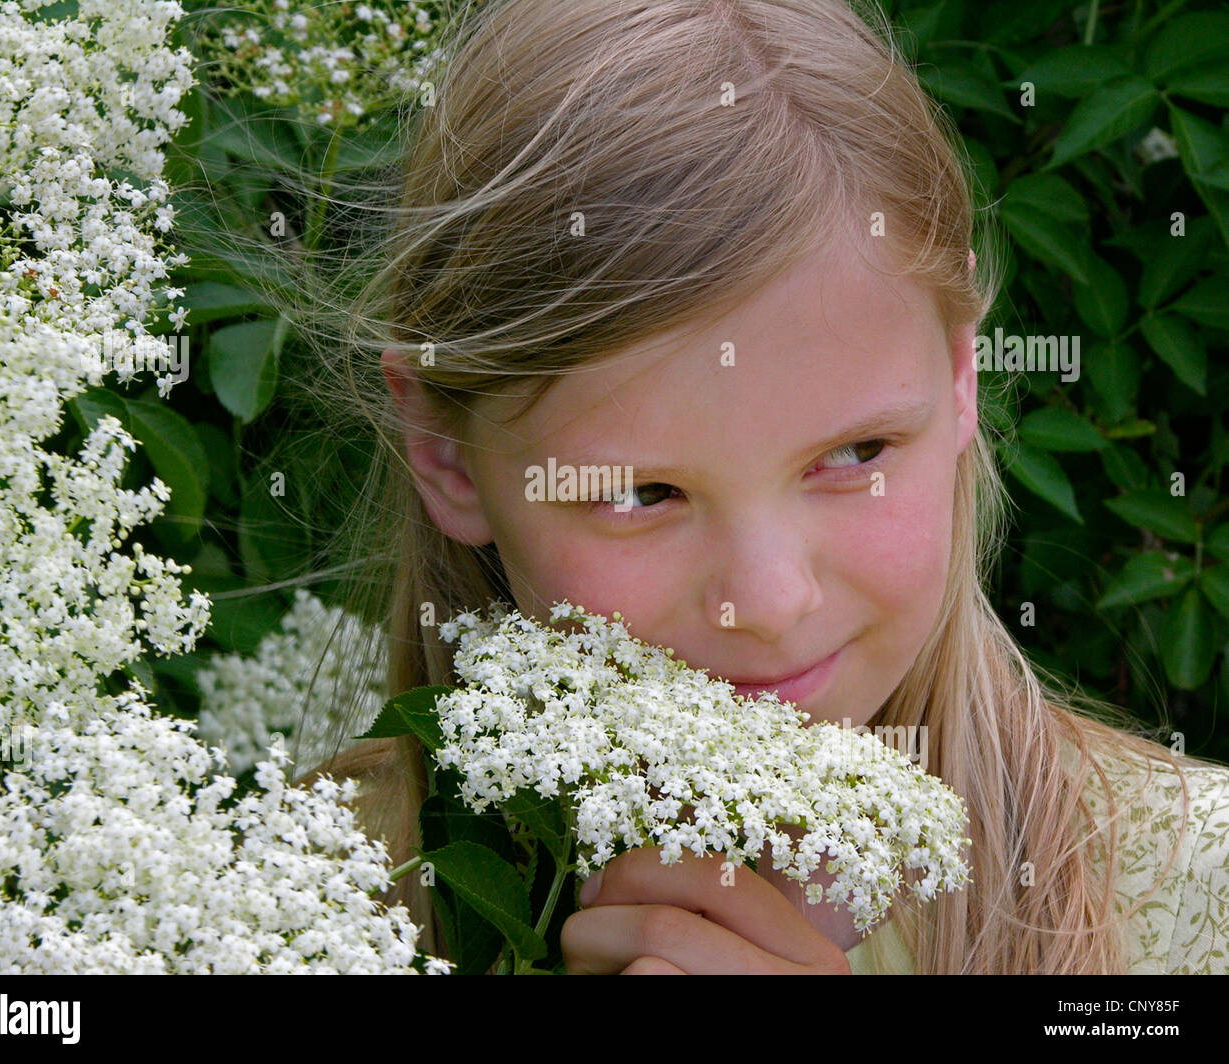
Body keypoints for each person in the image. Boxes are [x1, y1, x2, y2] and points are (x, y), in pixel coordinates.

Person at [290, 0, 1229, 973]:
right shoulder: (303, 901)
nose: (773, 603)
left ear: (961, 379)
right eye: (644, 492)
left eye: (857, 453)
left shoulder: (1197, 891)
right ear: (445, 450)